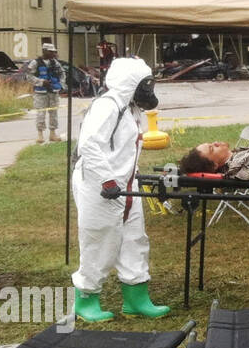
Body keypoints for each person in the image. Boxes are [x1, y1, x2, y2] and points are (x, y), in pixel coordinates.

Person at [70, 57, 170, 322]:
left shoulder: (131, 108)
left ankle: (136, 299)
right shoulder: (108, 106)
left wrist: (131, 177)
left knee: (135, 238)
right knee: (99, 240)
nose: (148, 89)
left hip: (124, 185)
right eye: (145, 83)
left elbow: (124, 151)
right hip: (99, 185)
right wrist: (107, 181)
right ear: (130, 83)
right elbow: (89, 145)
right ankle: (86, 299)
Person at [25, 42, 66, 143]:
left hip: (53, 92)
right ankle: (40, 135)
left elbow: (62, 73)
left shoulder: (55, 63)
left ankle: (53, 134)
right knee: (40, 113)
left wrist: (61, 85)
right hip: (40, 92)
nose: (53, 54)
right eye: (51, 52)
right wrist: (41, 82)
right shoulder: (35, 63)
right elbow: (28, 76)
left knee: (53, 113)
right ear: (44, 51)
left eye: (54, 52)